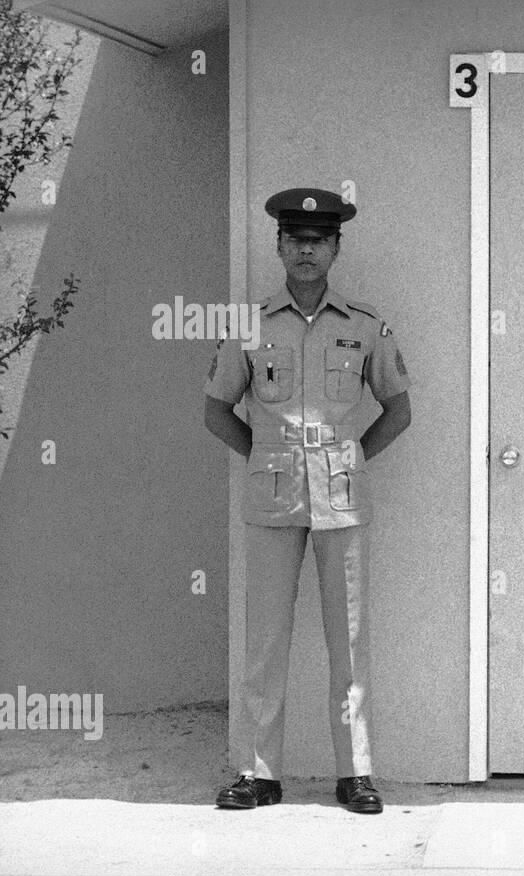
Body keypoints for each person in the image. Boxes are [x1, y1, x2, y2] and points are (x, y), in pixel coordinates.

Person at [204, 187, 412, 813]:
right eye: (294, 240)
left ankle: (355, 773)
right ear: (278, 246)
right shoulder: (249, 325)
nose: (305, 250)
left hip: (342, 499)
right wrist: (269, 454)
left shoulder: (366, 326)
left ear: (335, 249)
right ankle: (258, 773)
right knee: (265, 638)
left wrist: (346, 457)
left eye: (317, 241)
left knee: (348, 636)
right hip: (271, 500)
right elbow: (216, 411)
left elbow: (398, 410)